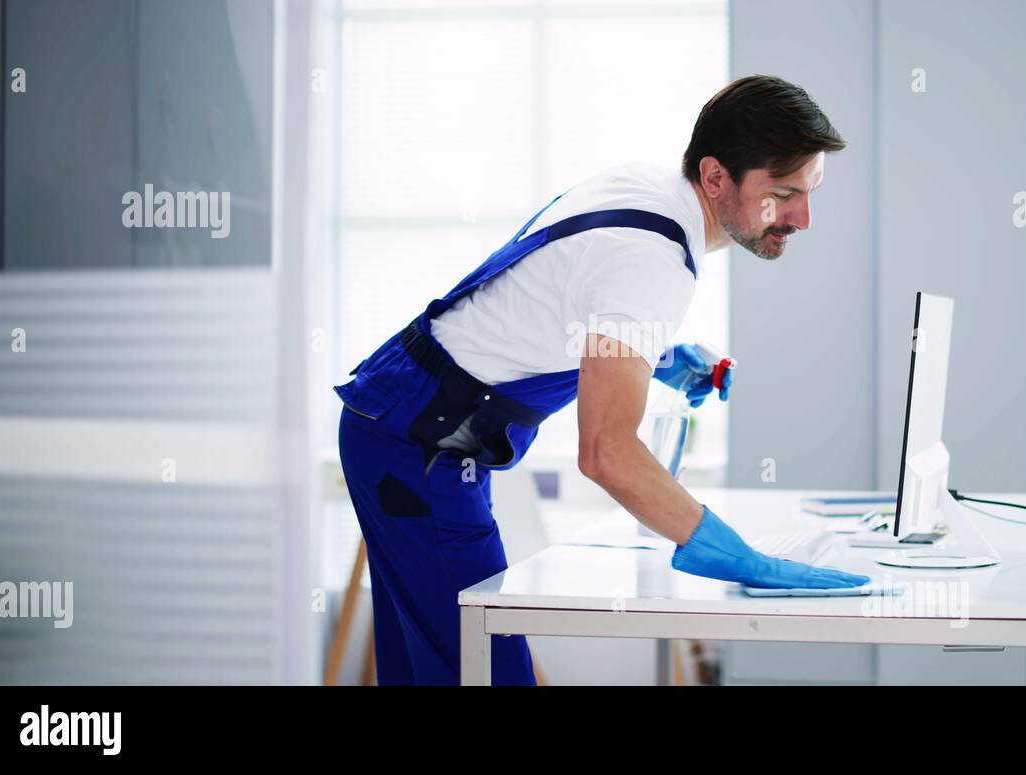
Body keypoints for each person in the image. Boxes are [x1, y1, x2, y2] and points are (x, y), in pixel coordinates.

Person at [335, 75, 869, 685]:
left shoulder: (650, 191)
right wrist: (729, 552)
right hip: (418, 445)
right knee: (486, 668)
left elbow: (562, 292)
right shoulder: (654, 264)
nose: (802, 217)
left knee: (436, 667)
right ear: (717, 177)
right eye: (782, 194)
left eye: (811, 190)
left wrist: (655, 354)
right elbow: (606, 452)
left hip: (402, 420)